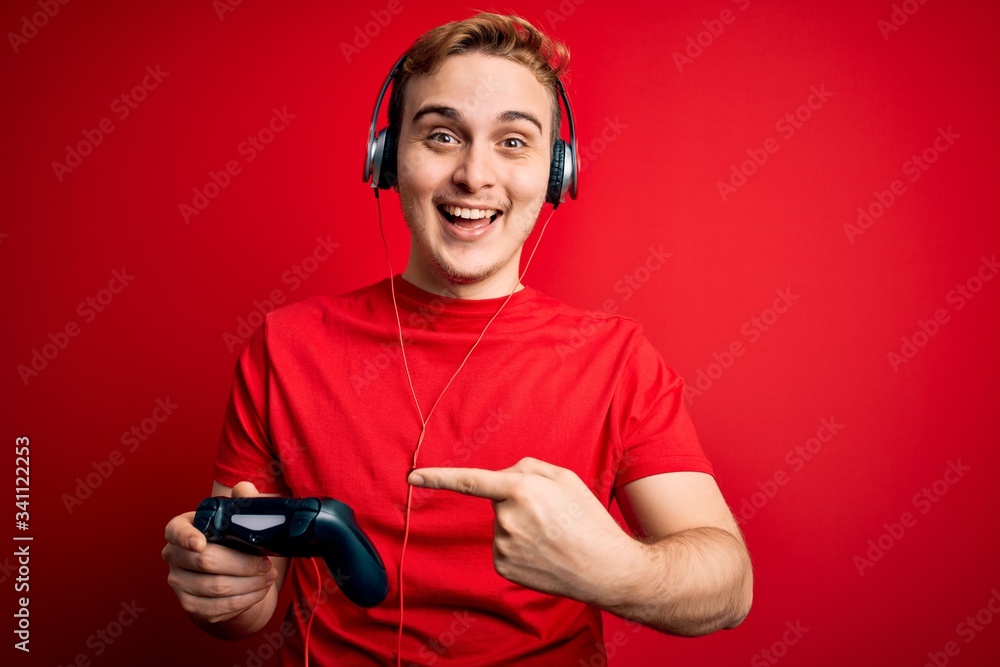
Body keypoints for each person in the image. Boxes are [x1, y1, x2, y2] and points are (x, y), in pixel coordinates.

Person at [162, 12, 752, 666]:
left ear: (557, 172)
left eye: (512, 142)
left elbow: (727, 586)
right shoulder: (285, 344)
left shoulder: (618, 360)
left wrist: (611, 569)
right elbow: (245, 604)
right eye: (442, 136)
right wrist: (225, 593)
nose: (474, 175)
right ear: (386, 159)